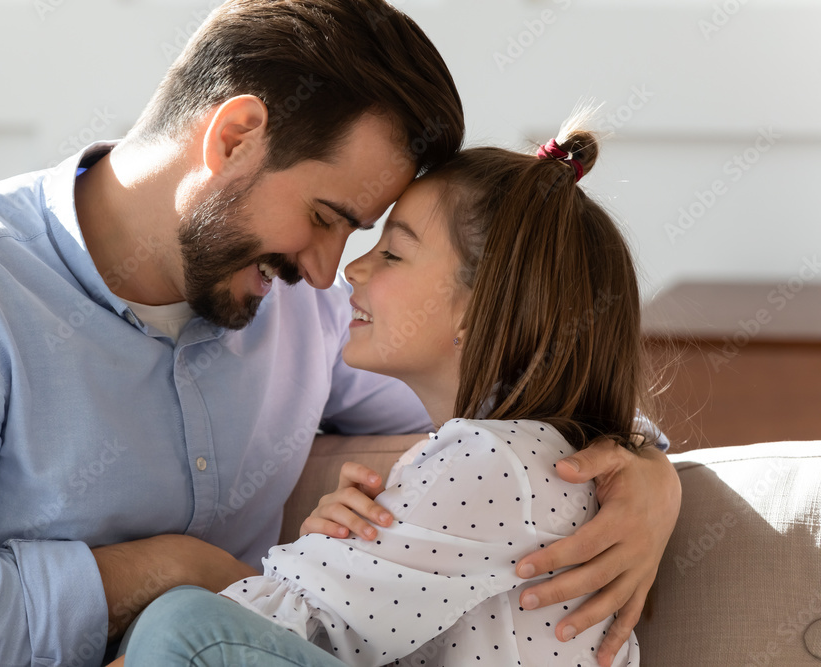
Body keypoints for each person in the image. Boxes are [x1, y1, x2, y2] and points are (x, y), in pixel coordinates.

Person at [0, 2, 677, 666]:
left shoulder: (295, 298)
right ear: (233, 138)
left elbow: (511, 390)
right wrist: (172, 571)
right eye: (326, 217)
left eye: (368, 236)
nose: (330, 270)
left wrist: (644, 471)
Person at [111, 116, 665, 666]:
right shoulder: (539, 452)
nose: (351, 268)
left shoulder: (492, 461)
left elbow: (270, 627)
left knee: (182, 626)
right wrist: (334, 549)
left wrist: (310, 562)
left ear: (478, 310)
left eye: (393, 253)